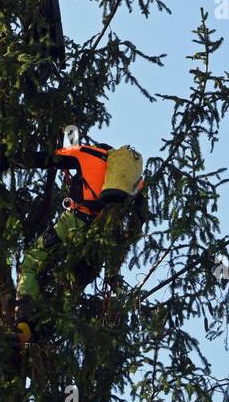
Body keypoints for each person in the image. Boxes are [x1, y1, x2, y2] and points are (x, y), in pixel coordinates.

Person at [14, 138, 145, 345]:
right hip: (101, 237)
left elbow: (47, 159)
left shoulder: (86, 153)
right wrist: (113, 267)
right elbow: (139, 218)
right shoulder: (130, 176)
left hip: (75, 221)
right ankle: (46, 331)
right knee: (73, 285)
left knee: (32, 261)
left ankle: (24, 323)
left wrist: (6, 159)